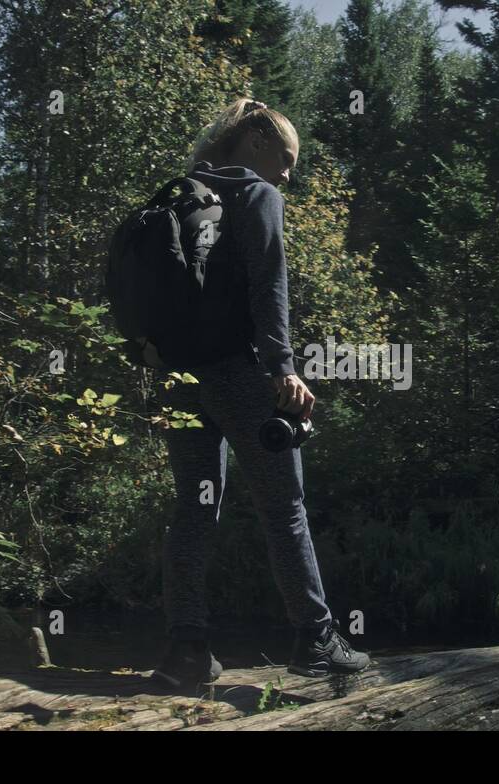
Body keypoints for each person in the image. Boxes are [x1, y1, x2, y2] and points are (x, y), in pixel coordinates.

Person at [150, 98, 370, 688]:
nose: (288, 175)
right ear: (253, 143)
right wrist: (283, 368)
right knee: (284, 508)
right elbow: (269, 283)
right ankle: (316, 640)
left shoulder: (175, 194)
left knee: (193, 511)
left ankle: (187, 650)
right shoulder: (255, 195)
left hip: (177, 379)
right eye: (286, 159)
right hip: (240, 374)